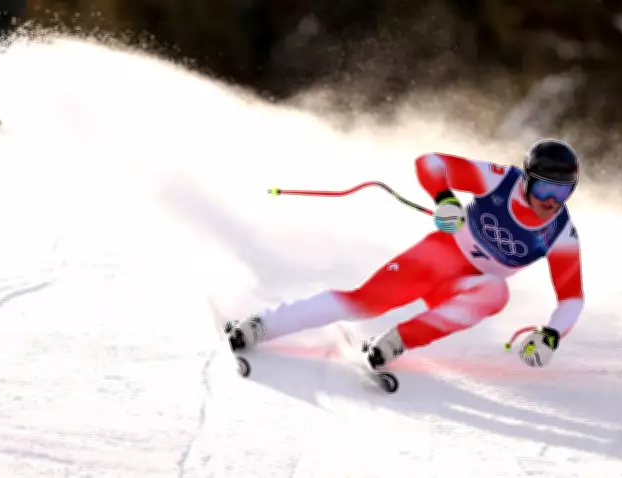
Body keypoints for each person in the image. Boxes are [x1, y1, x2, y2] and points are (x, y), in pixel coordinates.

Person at [225, 138, 584, 369]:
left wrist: (551, 334)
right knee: (367, 302)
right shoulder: (500, 181)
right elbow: (431, 163)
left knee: (497, 292)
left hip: (464, 286)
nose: (551, 201)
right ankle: (262, 325)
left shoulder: (560, 232)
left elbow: (572, 297)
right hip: (438, 257)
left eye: (563, 192)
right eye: (544, 188)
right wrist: (445, 199)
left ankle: (397, 341)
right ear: (526, 179)